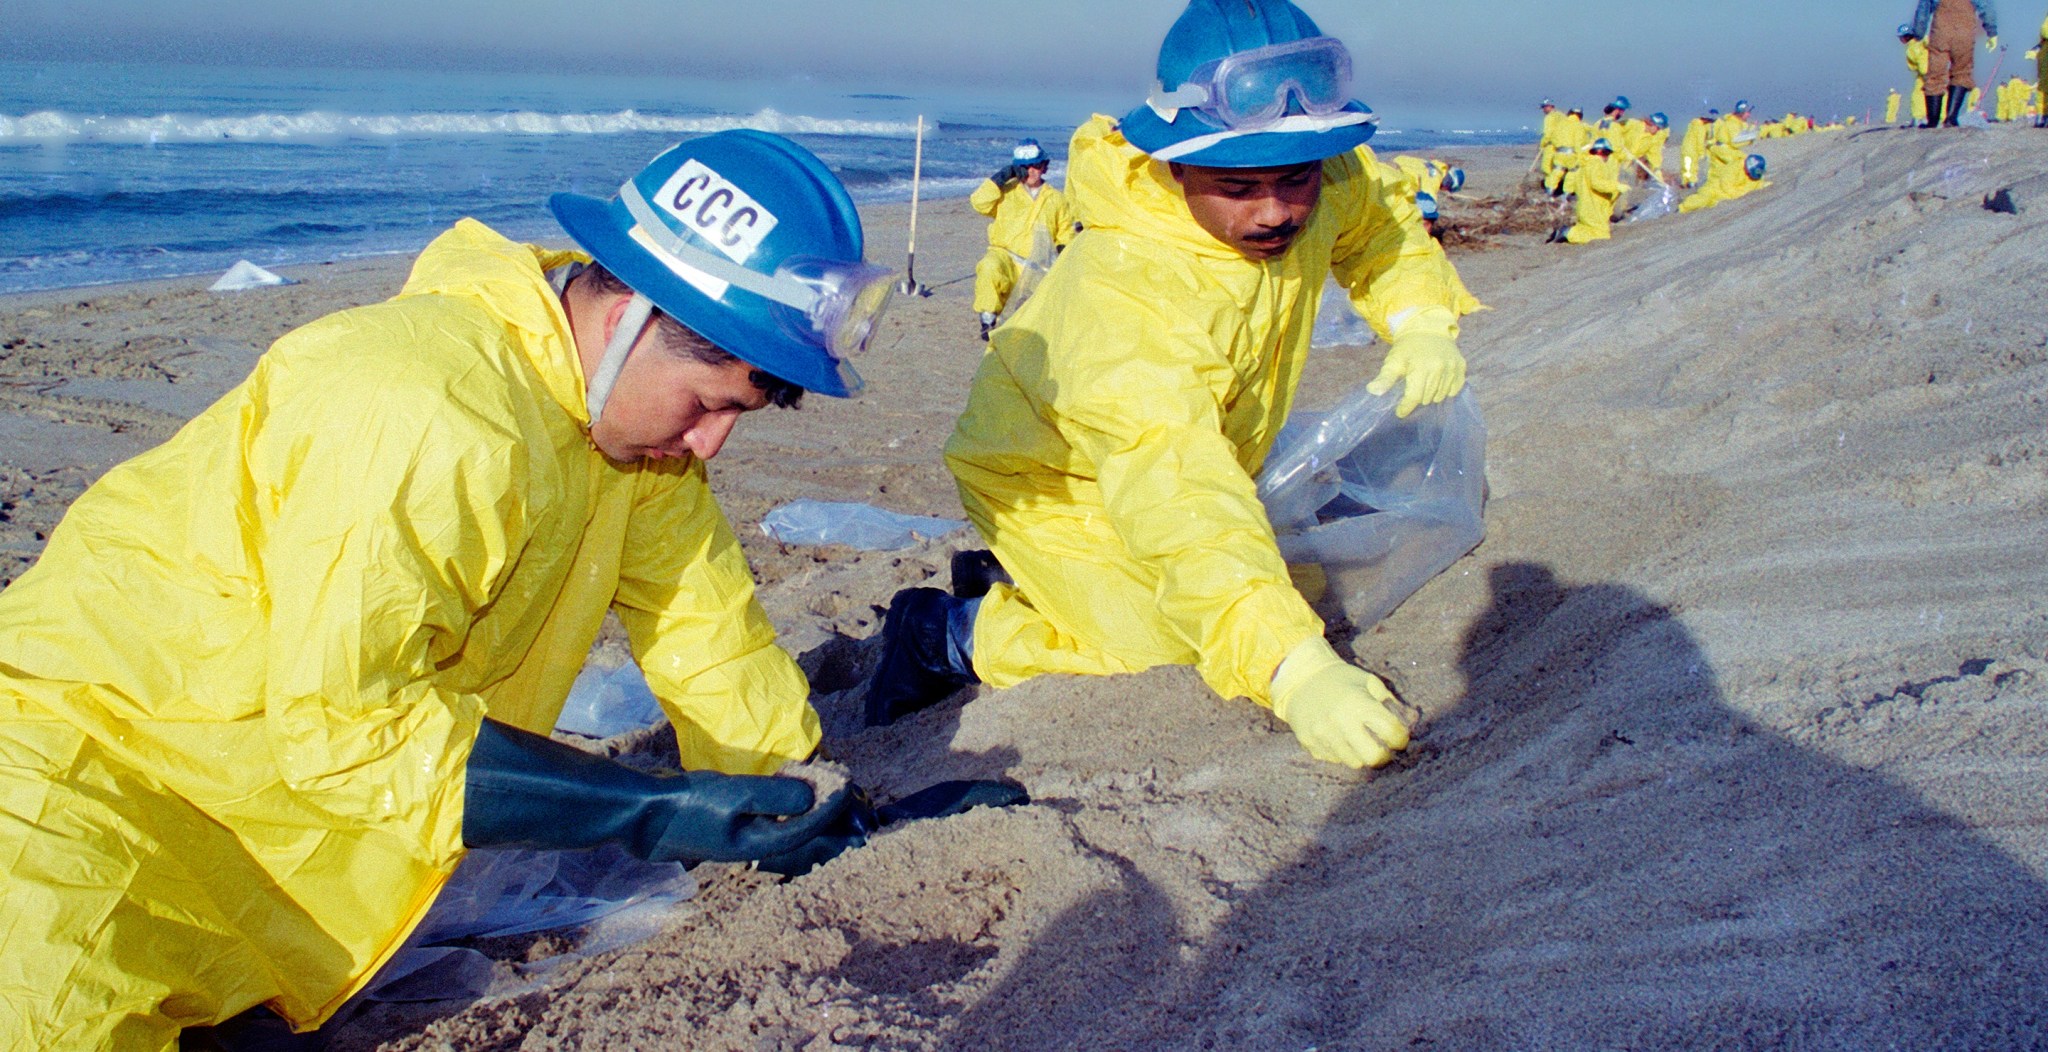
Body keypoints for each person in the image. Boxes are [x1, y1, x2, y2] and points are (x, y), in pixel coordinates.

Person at [0, 131, 912, 1048]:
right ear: (630, 312)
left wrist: (814, 801)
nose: (710, 443)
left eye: (736, 417)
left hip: (252, 824)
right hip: (75, 788)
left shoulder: (627, 444)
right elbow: (350, 730)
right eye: (709, 402)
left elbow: (705, 628)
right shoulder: (426, 405)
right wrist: (649, 807)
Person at [867, 0, 1481, 772]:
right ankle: (946, 633)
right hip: (1052, 476)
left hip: (1207, 443)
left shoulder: (1325, 178)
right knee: (1170, 642)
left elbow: (1380, 225)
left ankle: (1036, 583)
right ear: (1176, 160)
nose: (1276, 210)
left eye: (1297, 178)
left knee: (1292, 583)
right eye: (1237, 184)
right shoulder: (1127, 296)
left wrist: (1420, 318)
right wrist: (1296, 673)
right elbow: (1176, 486)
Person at [971, 138, 1076, 340]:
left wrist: (1063, 249)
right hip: (1004, 255)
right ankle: (987, 319)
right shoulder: (1005, 192)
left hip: (1038, 263)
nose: (1031, 172)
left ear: (1044, 167)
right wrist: (1001, 178)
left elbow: (1065, 230)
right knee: (989, 268)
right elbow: (979, 203)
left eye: (1036, 166)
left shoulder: (1056, 199)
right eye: (1024, 167)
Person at [1910, 0, 1999, 127]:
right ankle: (1951, 118)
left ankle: (1932, 121)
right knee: (1961, 72)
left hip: (1940, 31)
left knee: (1935, 73)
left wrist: (1918, 34)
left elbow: (1923, 10)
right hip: (1964, 31)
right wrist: (1992, 32)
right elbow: (1986, 7)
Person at [1556, 138, 1626, 244]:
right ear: (1600, 151)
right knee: (1601, 234)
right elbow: (1596, 183)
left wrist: (1567, 193)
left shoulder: (1584, 164)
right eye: (1607, 153)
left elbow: (1572, 181)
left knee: (1586, 228)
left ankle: (1570, 232)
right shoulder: (1596, 163)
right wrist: (1616, 186)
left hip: (1586, 207)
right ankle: (1568, 233)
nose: (1607, 157)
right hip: (1593, 207)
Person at [1680, 151, 1771, 213]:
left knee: (1708, 204)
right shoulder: (1734, 167)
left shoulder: (1755, 178)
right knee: (1701, 200)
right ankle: (1681, 208)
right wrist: (1739, 195)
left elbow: (1757, 186)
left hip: (1722, 199)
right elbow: (1726, 186)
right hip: (1713, 189)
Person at [1546, 106, 1591, 194]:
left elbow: (1553, 137)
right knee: (1572, 173)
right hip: (1572, 154)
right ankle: (1566, 194)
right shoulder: (1580, 126)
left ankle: (1550, 192)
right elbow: (1580, 143)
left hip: (1559, 152)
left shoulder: (1560, 124)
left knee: (1557, 172)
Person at [1901, 24, 1933, 125]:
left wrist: (1924, 73)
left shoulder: (1912, 48)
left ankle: (1919, 117)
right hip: (1930, 72)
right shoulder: (1920, 43)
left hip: (1926, 73)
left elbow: (1916, 64)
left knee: (1918, 95)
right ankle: (1938, 117)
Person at [1680, 109, 1717, 187]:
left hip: (1685, 148)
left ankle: (1684, 182)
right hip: (1693, 150)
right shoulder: (1701, 128)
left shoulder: (1692, 124)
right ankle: (1692, 182)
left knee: (1686, 166)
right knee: (1693, 167)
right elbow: (1700, 142)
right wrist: (1701, 153)